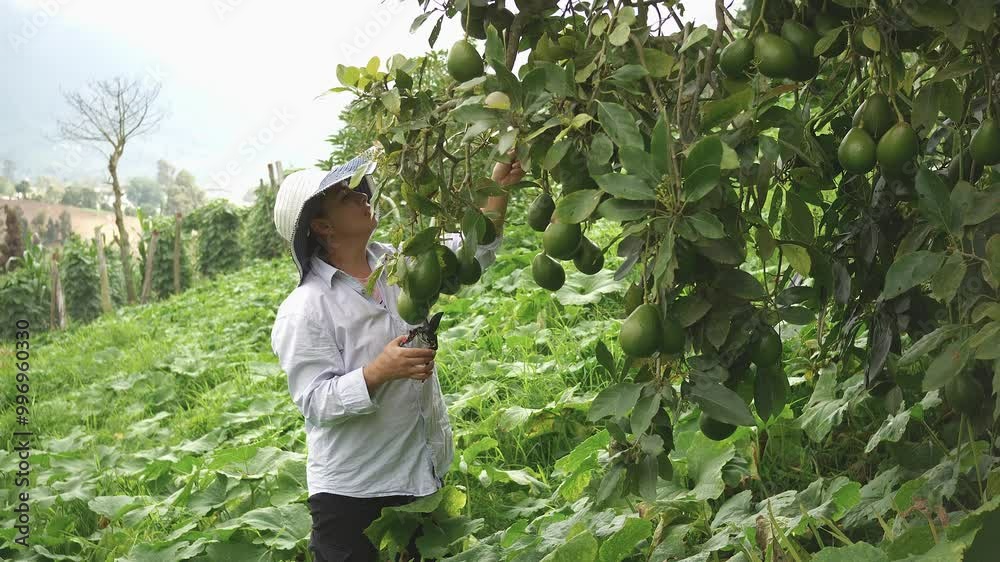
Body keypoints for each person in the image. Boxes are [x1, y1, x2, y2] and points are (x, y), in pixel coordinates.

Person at [270, 148, 524, 562]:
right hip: (355, 496)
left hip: (421, 477)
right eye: (345, 196)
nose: (362, 196)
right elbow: (314, 401)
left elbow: (472, 254)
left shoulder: (399, 264)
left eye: (359, 189)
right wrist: (378, 372)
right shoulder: (307, 307)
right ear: (322, 226)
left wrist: (498, 189)